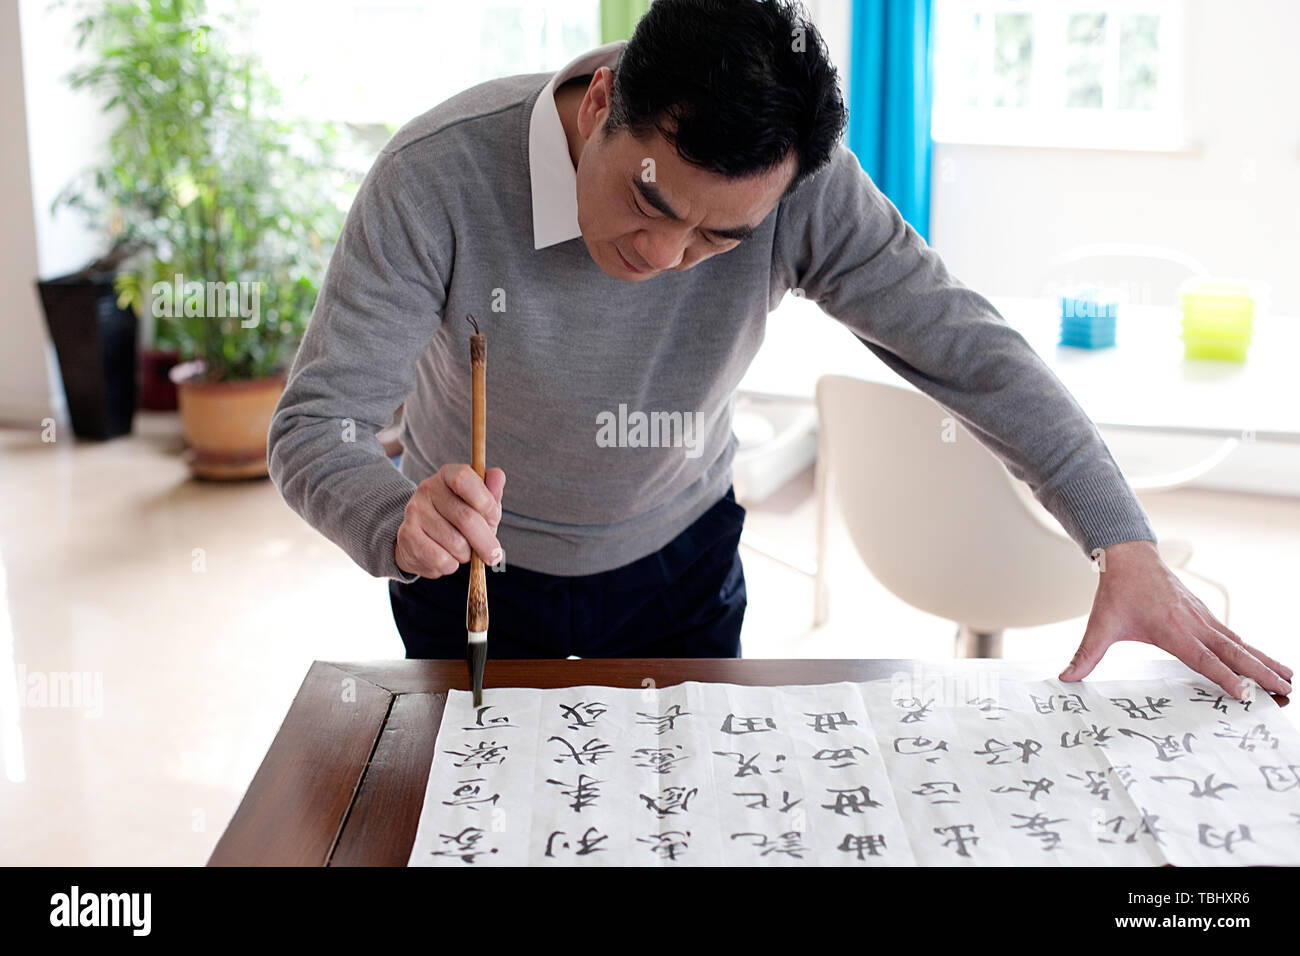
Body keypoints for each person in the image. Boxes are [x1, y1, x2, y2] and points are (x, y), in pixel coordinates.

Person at [268, 0, 1291, 700]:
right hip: (471, 567)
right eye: (651, 200)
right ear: (599, 104)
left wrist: (1121, 537)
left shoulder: (805, 188)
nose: (665, 257)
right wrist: (398, 514)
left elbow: (969, 351)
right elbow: (316, 427)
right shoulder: (433, 178)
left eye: (719, 239)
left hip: (679, 557)